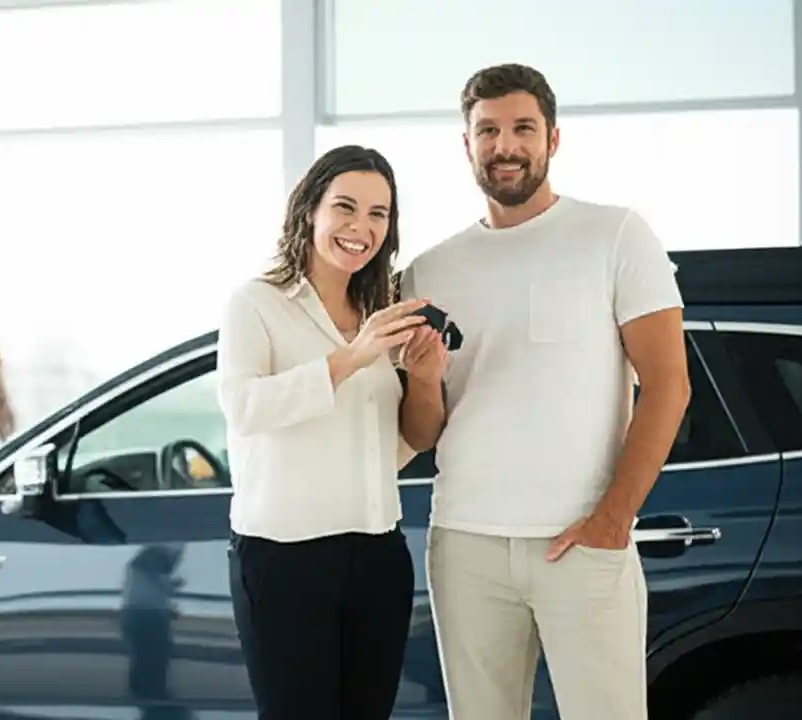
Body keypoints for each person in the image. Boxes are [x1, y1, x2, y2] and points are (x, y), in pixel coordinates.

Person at [398, 63, 691, 720]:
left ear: (553, 138)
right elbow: (422, 434)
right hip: (465, 542)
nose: (505, 146)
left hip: (582, 538)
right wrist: (421, 379)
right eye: (488, 131)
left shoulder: (616, 235)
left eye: (523, 128)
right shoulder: (428, 270)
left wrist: (613, 519)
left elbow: (669, 385)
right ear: (467, 144)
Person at [217, 144, 448, 719]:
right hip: (284, 559)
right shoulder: (256, 304)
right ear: (309, 210)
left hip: (377, 555)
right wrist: (353, 355)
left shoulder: (381, 312)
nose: (360, 227)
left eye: (378, 214)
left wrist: (424, 379)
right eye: (345, 207)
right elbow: (244, 408)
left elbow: (407, 443)